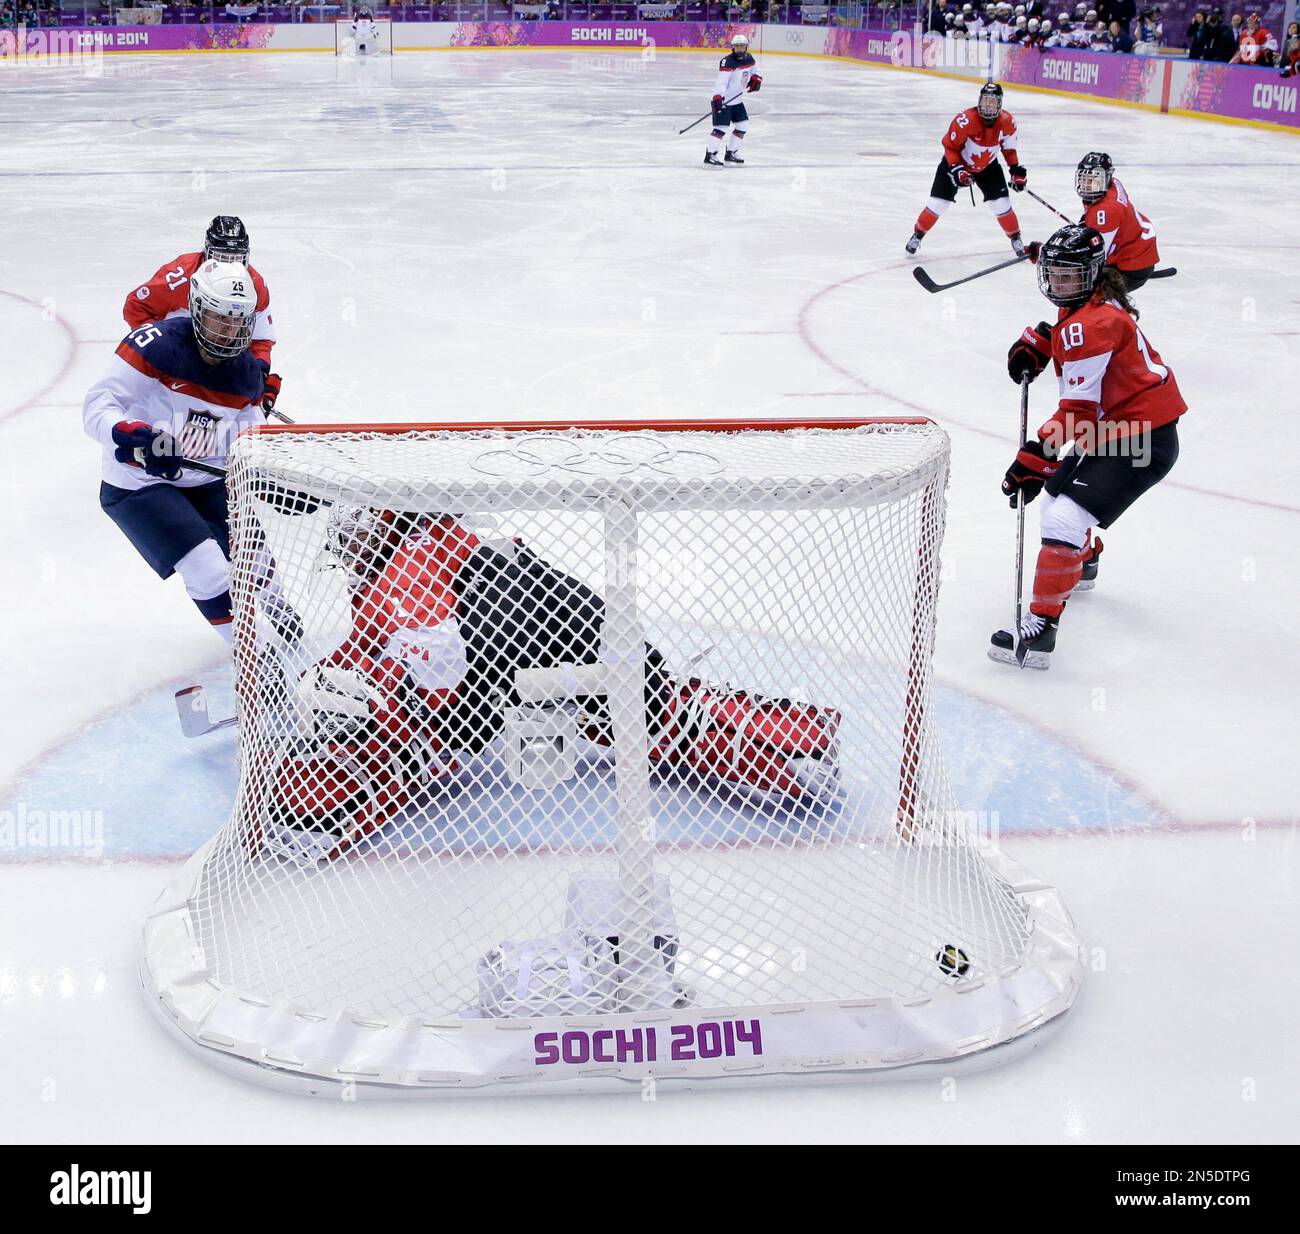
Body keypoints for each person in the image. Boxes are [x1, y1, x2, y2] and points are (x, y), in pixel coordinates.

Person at [261, 507, 843, 864]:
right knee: (662, 710)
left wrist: (378, 700)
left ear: (384, 526)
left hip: (540, 656)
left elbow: (437, 669)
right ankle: (797, 744)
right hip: (573, 651)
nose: (351, 555)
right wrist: (327, 674)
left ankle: (795, 750)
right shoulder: (426, 546)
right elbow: (380, 641)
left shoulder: (413, 560)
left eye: (357, 541)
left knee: (659, 717)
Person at [990, 224, 1186, 668]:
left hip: (1141, 439)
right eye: (1054, 274)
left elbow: (1077, 413)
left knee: (1063, 515)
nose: (1058, 283)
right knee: (1054, 506)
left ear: (1092, 275)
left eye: (1068, 275)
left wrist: (1036, 455)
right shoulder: (1095, 301)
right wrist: (1046, 339)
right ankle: (1082, 562)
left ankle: (1040, 630)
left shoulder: (1091, 323)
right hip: (1119, 428)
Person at [87, 261, 275, 642]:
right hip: (139, 484)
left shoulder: (245, 373)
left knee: (257, 559)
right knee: (208, 567)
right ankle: (254, 661)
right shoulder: (157, 343)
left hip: (204, 477)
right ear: (197, 309)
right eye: (221, 319)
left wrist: (273, 475)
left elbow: (248, 437)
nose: (229, 333)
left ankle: (284, 621)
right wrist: (134, 436)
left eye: (240, 323)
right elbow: (97, 407)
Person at [124, 215, 281, 416]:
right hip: (170, 375)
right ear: (206, 251)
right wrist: (162, 349)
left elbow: (261, 340)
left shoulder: (254, 285)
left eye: (236, 258)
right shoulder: (180, 277)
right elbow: (135, 307)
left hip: (219, 369)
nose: (229, 264)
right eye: (221, 257)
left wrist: (256, 376)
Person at [906, 82, 1029, 258]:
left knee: (1001, 204)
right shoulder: (965, 120)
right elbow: (950, 147)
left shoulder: (1007, 122)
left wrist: (1016, 171)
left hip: (988, 166)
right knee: (938, 203)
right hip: (956, 164)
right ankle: (917, 236)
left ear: (999, 104)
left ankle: (1016, 238)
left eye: (992, 102)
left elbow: (1009, 150)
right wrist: (957, 169)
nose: (988, 105)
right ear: (979, 101)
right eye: (985, 101)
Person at [1073, 153, 1159, 290]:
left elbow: (1097, 258)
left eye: (1092, 180)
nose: (1087, 185)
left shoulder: (1105, 212)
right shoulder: (1113, 184)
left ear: (1106, 177)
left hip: (1131, 267)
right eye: (1084, 179)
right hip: (1138, 247)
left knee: (1086, 293)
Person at [704, 33, 761, 167]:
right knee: (721, 127)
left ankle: (731, 153)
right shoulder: (727, 62)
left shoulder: (749, 58)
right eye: (737, 46)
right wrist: (718, 97)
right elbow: (721, 82)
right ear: (732, 48)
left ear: (746, 47)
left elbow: (755, 70)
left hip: (737, 100)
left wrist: (756, 78)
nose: (739, 49)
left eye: (742, 46)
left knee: (743, 125)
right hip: (723, 100)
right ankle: (710, 155)